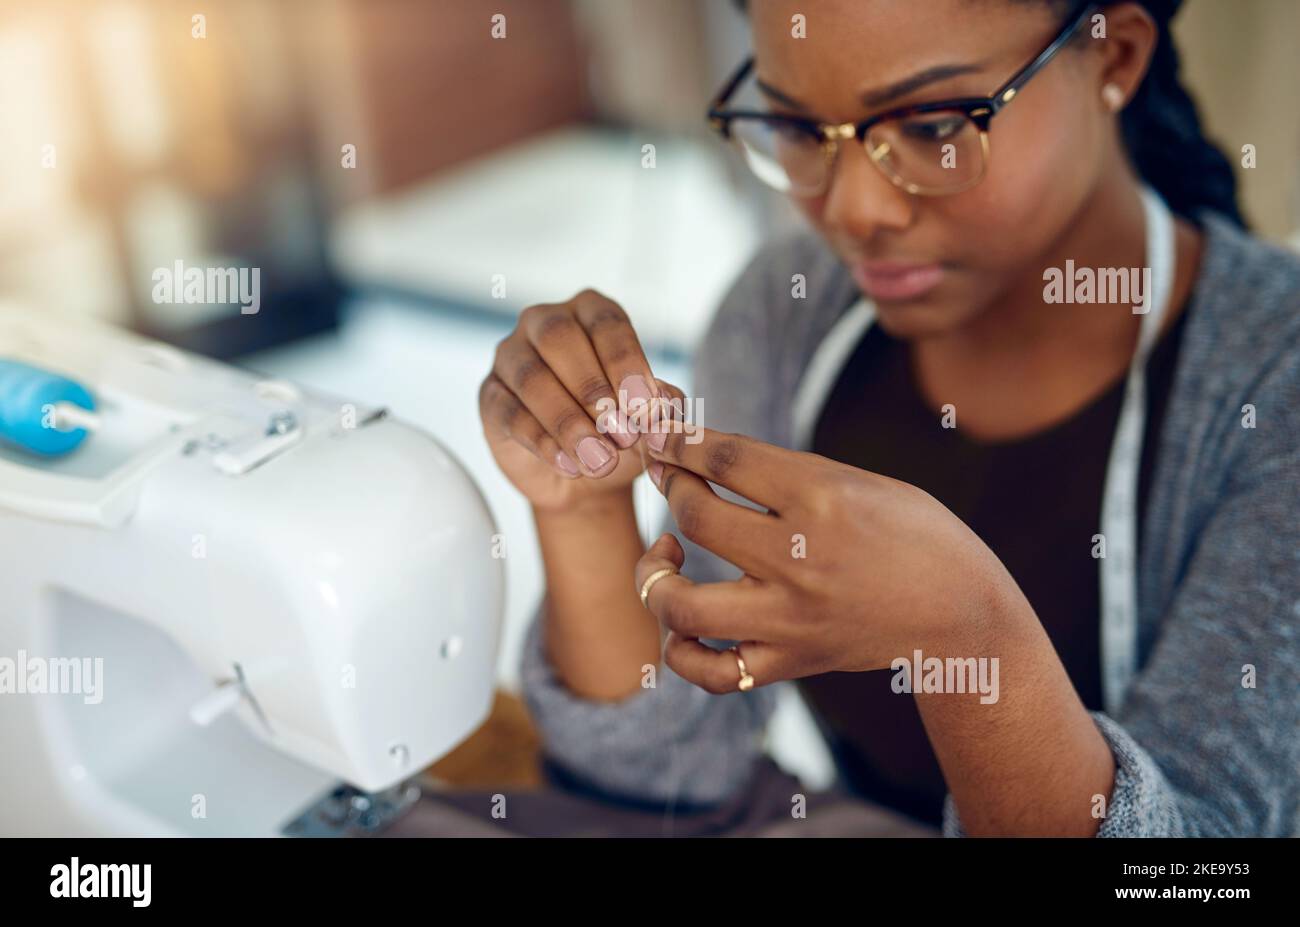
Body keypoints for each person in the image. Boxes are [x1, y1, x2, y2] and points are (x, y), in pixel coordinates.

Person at [477, 0, 1298, 836]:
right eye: (799, 129)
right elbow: (664, 781)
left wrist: (965, 638)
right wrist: (580, 504)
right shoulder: (785, 315)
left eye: (937, 127)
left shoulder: (1277, 387)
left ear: (1115, 58)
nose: (857, 212)